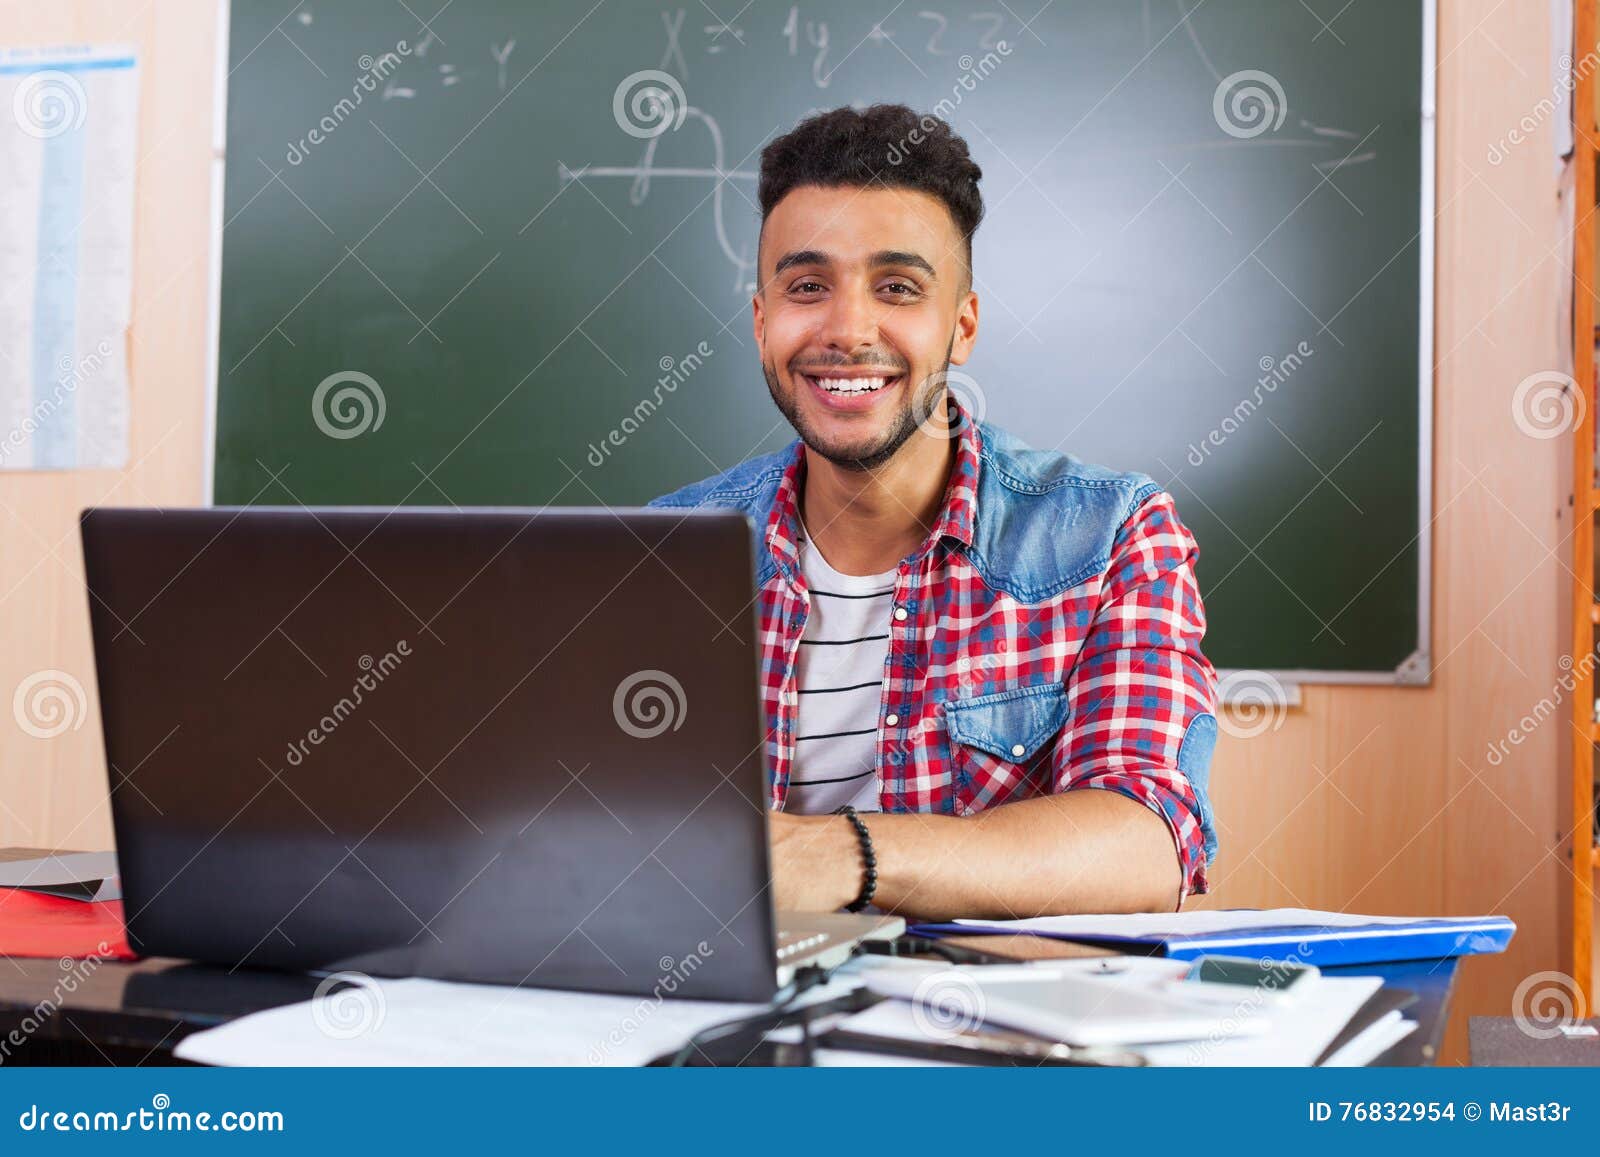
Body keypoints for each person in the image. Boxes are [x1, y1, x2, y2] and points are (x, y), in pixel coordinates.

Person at [649, 104, 1218, 919]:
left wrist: (845, 853)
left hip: (992, 1027)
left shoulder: (1114, 537)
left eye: (898, 288)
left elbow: (1148, 840)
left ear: (962, 326)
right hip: (721, 1018)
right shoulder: (667, 550)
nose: (847, 330)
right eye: (808, 286)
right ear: (762, 320)